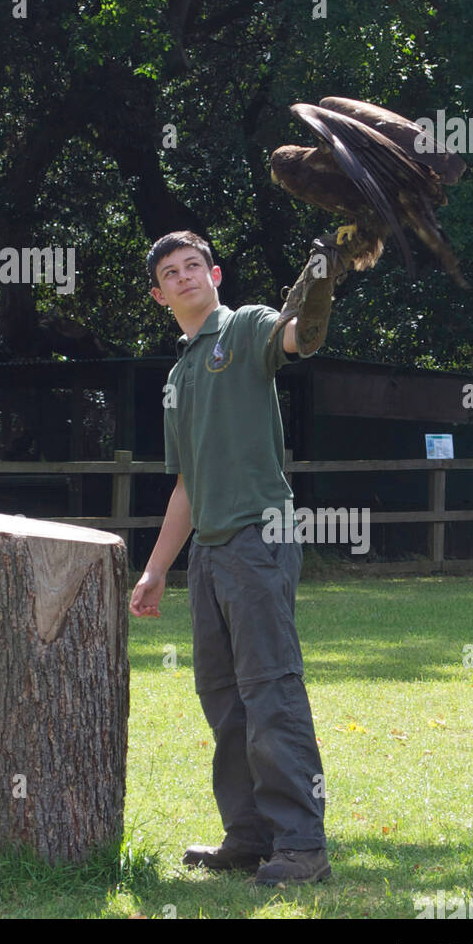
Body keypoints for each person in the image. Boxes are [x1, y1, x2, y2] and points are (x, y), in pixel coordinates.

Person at [129, 231, 335, 885]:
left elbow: (299, 336)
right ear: (158, 294)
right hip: (212, 552)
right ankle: (248, 837)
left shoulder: (242, 328)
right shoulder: (178, 374)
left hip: (259, 536)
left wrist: (320, 279)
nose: (185, 275)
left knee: (269, 688)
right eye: (171, 271)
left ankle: (301, 847)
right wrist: (158, 567)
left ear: (212, 274)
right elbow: (186, 484)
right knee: (223, 697)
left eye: (194, 264)